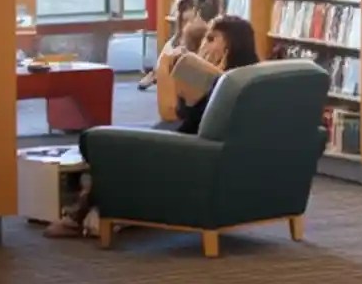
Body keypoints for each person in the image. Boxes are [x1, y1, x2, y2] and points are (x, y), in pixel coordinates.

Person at [45, 15, 261, 239]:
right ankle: (104, 211)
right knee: (125, 149)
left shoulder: (221, 82)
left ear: (230, 45)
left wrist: (165, 67)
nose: (204, 44)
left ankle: (79, 215)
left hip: (191, 155)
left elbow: (170, 113)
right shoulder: (251, 80)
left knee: (98, 143)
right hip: (210, 156)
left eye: (211, 38)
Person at [138, 0, 200, 91]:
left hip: (189, 55)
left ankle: (156, 74)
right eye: (184, 21)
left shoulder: (199, 27)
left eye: (189, 20)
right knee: (170, 45)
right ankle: (156, 73)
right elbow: (178, 37)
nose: (186, 23)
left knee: (175, 52)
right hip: (179, 49)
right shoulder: (180, 31)